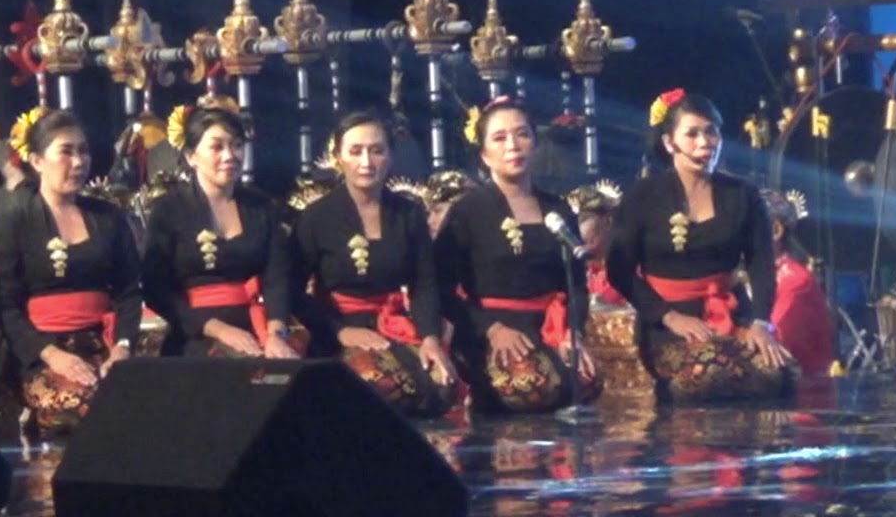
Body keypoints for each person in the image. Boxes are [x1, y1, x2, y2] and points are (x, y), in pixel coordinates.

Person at [605, 88, 796, 403]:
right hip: (668, 321)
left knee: (780, 375)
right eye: (692, 134)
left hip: (730, 311)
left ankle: (745, 448)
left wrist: (761, 322)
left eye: (711, 132)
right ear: (670, 143)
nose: (705, 142)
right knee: (707, 374)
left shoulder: (743, 194)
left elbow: (761, 264)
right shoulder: (644, 195)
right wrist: (668, 317)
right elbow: (619, 269)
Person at [435, 97, 598, 413]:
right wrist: (491, 329)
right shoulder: (467, 212)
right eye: (499, 138)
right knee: (532, 385)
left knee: (586, 381)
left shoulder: (557, 207)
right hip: (492, 330)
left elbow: (576, 282)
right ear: (484, 154)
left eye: (522, 134)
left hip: (549, 326)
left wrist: (572, 331)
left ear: (535, 144)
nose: (513, 145)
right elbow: (441, 288)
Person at [0, 110, 143, 434]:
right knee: (89, 406)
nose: (78, 161)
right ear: (37, 160)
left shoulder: (108, 217)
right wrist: (51, 354)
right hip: (42, 352)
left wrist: (123, 347)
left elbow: (129, 293)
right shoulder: (15, 221)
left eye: (83, 150)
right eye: (66, 152)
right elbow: (4, 306)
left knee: (143, 402)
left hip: (104, 347)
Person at [290, 112, 458, 415]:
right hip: (336, 328)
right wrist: (338, 331)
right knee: (381, 384)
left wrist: (431, 338)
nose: (366, 162)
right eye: (355, 151)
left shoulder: (408, 214)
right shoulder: (316, 217)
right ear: (338, 157)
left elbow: (424, 284)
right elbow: (291, 290)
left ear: (390, 156)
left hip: (392, 324)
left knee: (441, 386)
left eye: (376, 150)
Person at [141, 105, 298, 359]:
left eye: (236, 145)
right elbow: (156, 288)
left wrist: (275, 333)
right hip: (197, 331)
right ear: (192, 155)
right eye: (217, 147)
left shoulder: (261, 206)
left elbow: (277, 277)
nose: (229, 156)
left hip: (258, 326)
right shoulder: (169, 209)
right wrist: (219, 330)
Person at [761, 188, 835, 377]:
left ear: (775, 230)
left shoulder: (794, 282)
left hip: (800, 398)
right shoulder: (765, 276)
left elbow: (776, 343)